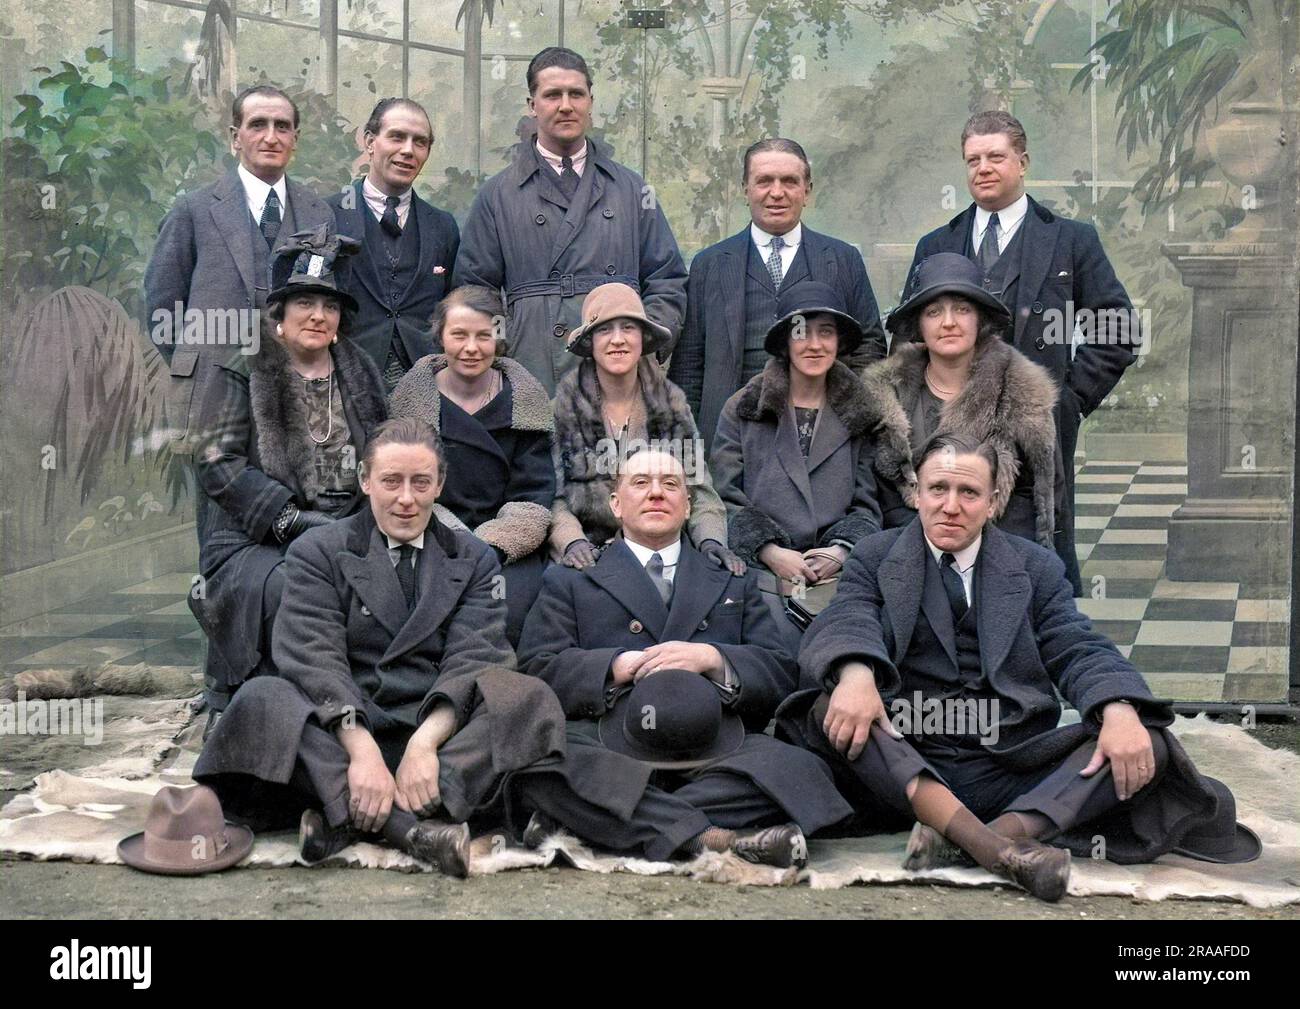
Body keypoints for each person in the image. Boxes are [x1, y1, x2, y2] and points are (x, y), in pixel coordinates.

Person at [194, 419, 816, 873]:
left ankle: (344, 820)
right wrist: (358, 746)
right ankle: (409, 832)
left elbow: (475, 653)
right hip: (343, 726)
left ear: (440, 485)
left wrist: (423, 743)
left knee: (525, 705)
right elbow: (311, 652)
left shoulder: (469, 556)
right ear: (365, 481)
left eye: (420, 482)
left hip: (442, 735)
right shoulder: (316, 553)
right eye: (391, 482)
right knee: (264, 698)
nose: (405, 498)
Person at [777, 433, 1252, 902]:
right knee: (826, 707)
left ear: (994, 501)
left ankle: (979, 837)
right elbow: (849, 615)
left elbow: (1075, 645)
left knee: (1146, 742)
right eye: (938, 489)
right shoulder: (875, 556)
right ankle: (998, 850)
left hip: (1006, 761)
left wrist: (1118, 708)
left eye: (969, 492)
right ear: (915, 493)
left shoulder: (1036, 567)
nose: (951, 505)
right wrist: (857, 673)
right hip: (904, 755)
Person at [519, 448, 853, 865]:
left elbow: (783, 671)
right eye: (641, 483)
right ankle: (715, 838)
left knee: (804, 770)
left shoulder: (733, 578)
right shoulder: (571, 580)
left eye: (671, 484)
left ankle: (598, 819)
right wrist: (614, 667)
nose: (656, 493)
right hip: (613, 748)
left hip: (716, 748)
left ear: (689, 506)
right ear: (616, 505)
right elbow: (537, 669)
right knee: (537, 767)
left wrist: (714, 658)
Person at [906, 111, 1139, 592]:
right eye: (973, 160)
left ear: (1023, 161)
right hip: (951, 425)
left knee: (1033, 558)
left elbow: (1116, 328)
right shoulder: (937, 243)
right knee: (948, 548)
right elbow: (909, 340)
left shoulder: (1071, 240)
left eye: (995, 156)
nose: (983, 169)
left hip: (1035, 434)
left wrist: (1067, 401)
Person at [189, 229, 386, 717]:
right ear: (279, 315)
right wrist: (290, 519)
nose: (318, 316)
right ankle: (278, 710)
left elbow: (385, 451)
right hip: (255, 540)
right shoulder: (243, 370)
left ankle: (363, 699)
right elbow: (216, 462)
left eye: (330, 306)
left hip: (351, 525)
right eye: (303, 303)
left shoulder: (360, 372)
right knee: (292, 585)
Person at [454, 46, 687, 395]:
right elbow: (475, 293)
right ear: (532, 105)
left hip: (621, 371)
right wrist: (505, 351)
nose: (566, 105)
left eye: (576, 94)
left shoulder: (631, 189)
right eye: (552, 95)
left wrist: (642, 340)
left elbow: (666, 279)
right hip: (531, 370)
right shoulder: (498, 195)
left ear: (590, 101)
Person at [145, 85, 336, 441]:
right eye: (257, 125)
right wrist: (199, 362)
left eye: (282, 127)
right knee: (218, 491)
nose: (270, 137)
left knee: (290, 492)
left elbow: (325, 299)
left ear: (295, 138)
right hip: (211, 391)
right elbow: (162, 304)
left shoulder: (318, 213)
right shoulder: (193, 210)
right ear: (235, 137)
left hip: (293, 393)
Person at [669, 138, 887, 450]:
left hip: (822, 436)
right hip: (728, 440)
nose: (777, 192)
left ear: (807, 191)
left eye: (789, 181)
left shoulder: (842, 259)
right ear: (745, 189)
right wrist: (687, 447)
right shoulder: (710, 265)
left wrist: (849, 421)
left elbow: (869, 348)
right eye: (764, 181)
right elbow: (688, 364)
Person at [711, 281, 882, 646]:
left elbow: (868, 502)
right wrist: (770, 552)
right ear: (786, 343)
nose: (815, 344)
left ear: (839, 343)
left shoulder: (861, 412)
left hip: (838, 576)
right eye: (802, 332)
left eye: (827, 333)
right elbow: (723, 497)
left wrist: (839, 552)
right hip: (759, 574)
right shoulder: (744, 408)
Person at [864, 252, 1063, 560]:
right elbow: (881, 490)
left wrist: (973, 552)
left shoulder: (1022, 392)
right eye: (933, 312)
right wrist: (930, 548)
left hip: (1000, 555)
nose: (948, 323)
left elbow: (1033, 492)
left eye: (962, 310)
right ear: (918, 323)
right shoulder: (887, 394)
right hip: (906, 554)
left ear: (979, 320)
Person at [390, 286, 554, 645]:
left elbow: (534, 494)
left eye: (484, 336)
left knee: (509, 610)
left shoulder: (524, 402)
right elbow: (403, 489)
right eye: (459, 335)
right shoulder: (411, 403)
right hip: (429, 534)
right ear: (440, 337)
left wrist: (491, 545)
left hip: (508, 545)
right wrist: (457, 540)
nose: (471, 348)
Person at [550, 283, 740, 576]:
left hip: (662, 547)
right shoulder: (563, 410)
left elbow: (699, 490)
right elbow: (553, 496)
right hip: (589, 552)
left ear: (642, 338)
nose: (617, 340)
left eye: (628, 328)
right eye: (604, 330)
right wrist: (571, 542)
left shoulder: (672, 407)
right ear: (589, 343)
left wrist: (710, 541)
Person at [328, 98, 460, 392]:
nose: (408, 150)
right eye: (397, 137)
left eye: (420, 142)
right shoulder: (329, 215)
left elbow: (453, 308)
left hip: (426, 385)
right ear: (369, 142)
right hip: (346, 382)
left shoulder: (443, 226)